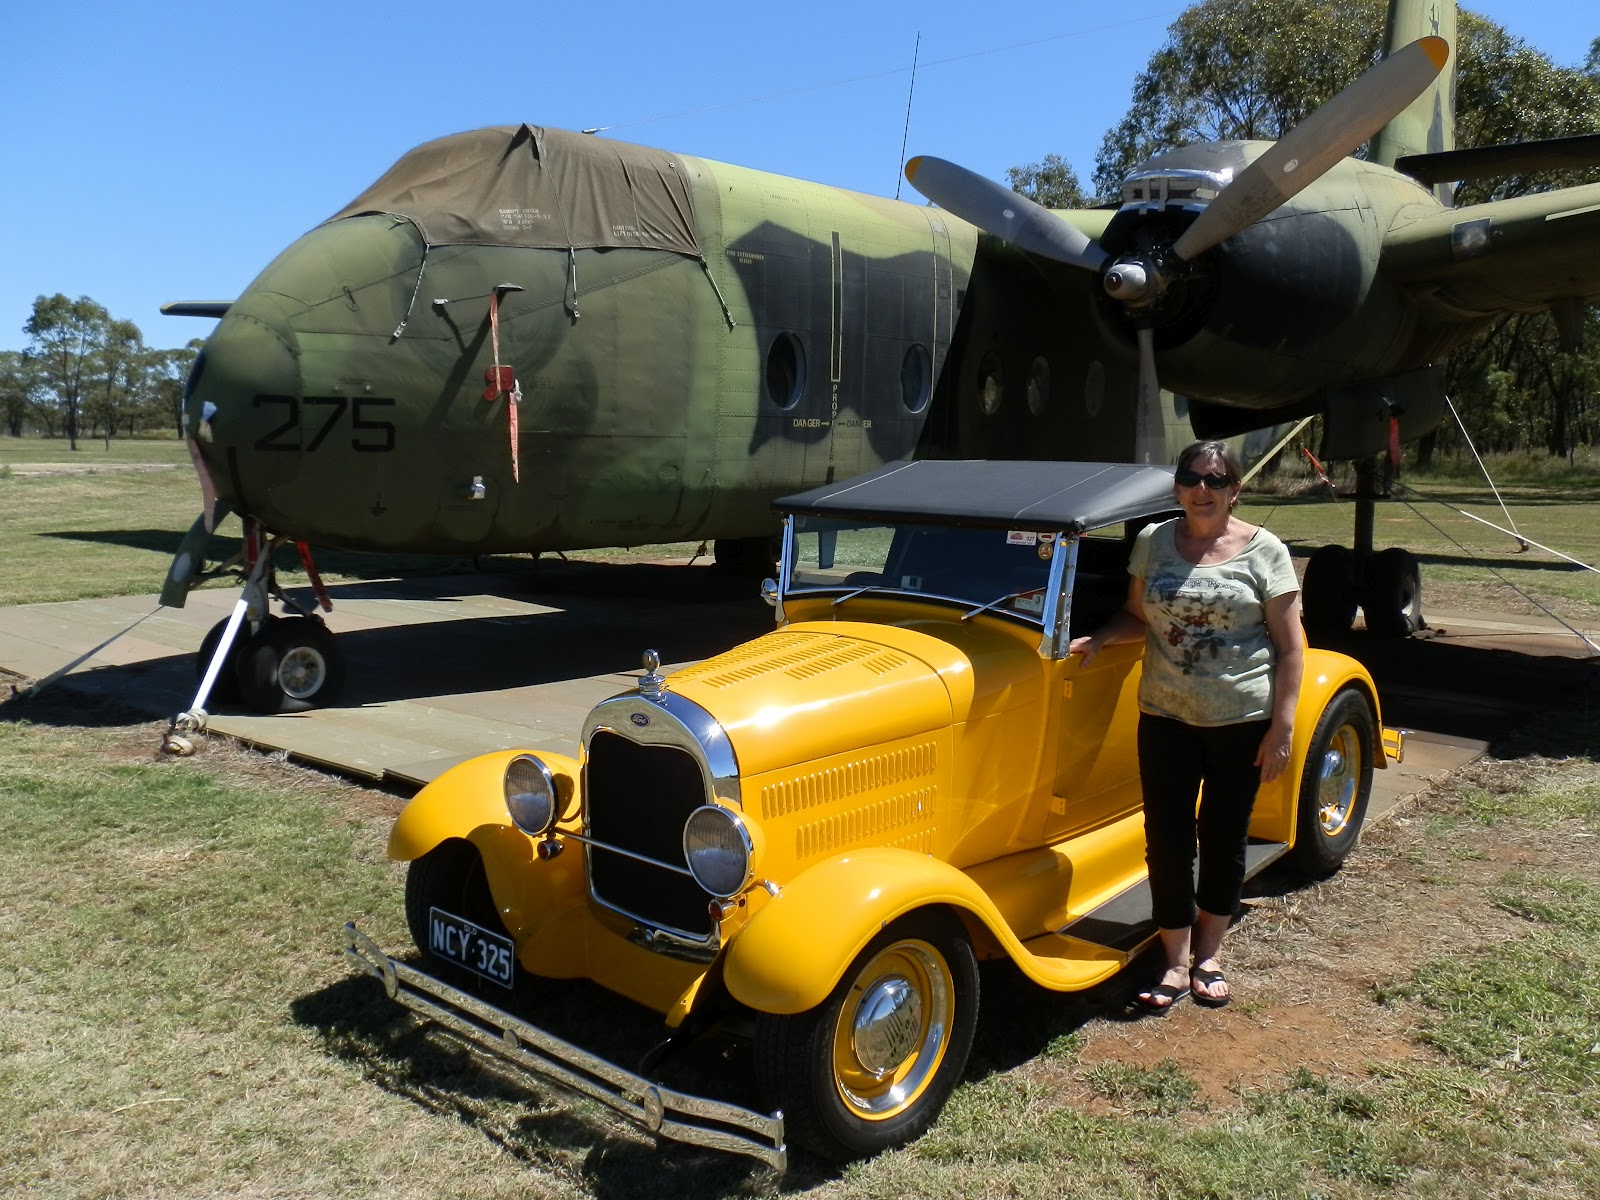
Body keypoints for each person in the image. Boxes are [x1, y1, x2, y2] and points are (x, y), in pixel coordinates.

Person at [1069, 441, 1303, 1011]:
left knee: (1224, 836)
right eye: (1193, 478)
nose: (1203, 489)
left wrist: (1281, 729)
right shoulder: (1153, 543)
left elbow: (1291, 647)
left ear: (1234, 490)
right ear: (1177, 487)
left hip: (1239, 720)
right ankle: (1174, 959)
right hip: (1165, 716)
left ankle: (1209, 955)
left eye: (1216, 480)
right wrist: (1101, 638)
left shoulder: (1265, 550)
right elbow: (1137, 616)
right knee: (1167, 839)